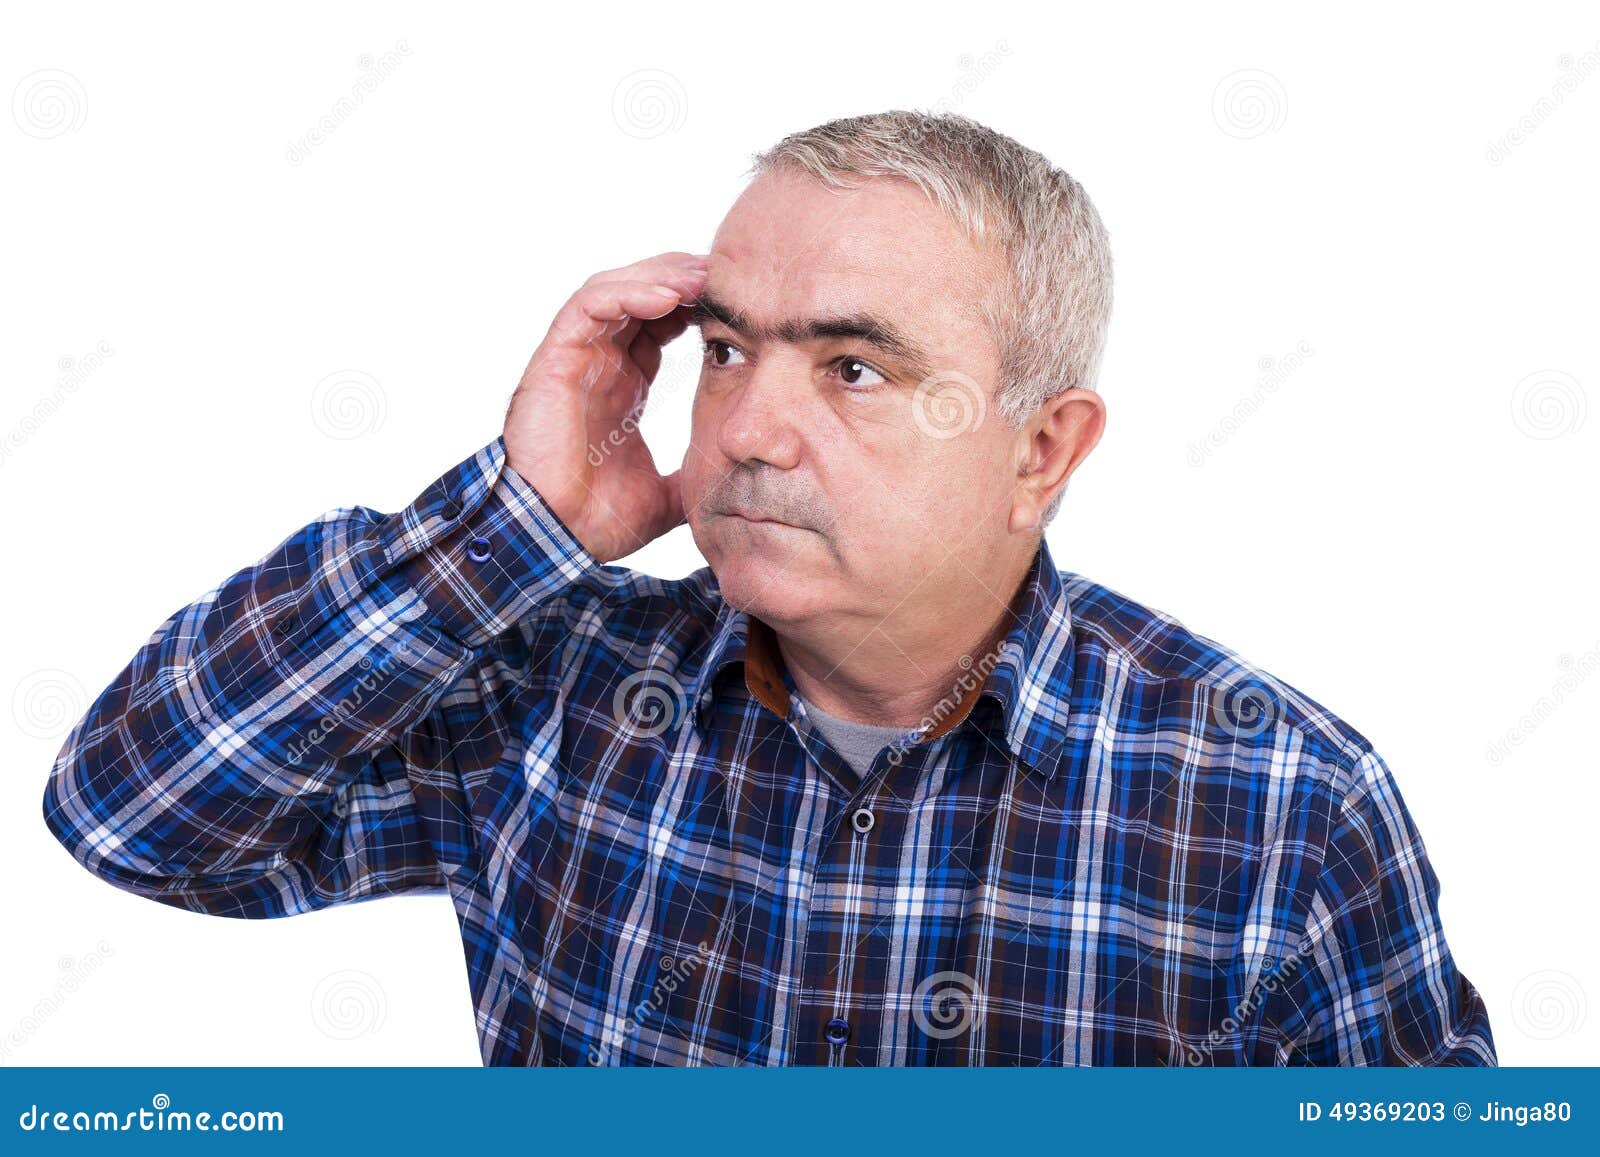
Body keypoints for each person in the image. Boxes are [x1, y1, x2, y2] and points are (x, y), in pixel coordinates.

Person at [42, 110, 1494, 1066]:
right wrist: (515, 520)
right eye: (726, 348)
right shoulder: (556, 686)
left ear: (1040, 447)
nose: (743, 428)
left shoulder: (1277, 799)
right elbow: (133, 815)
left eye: (853, 369)